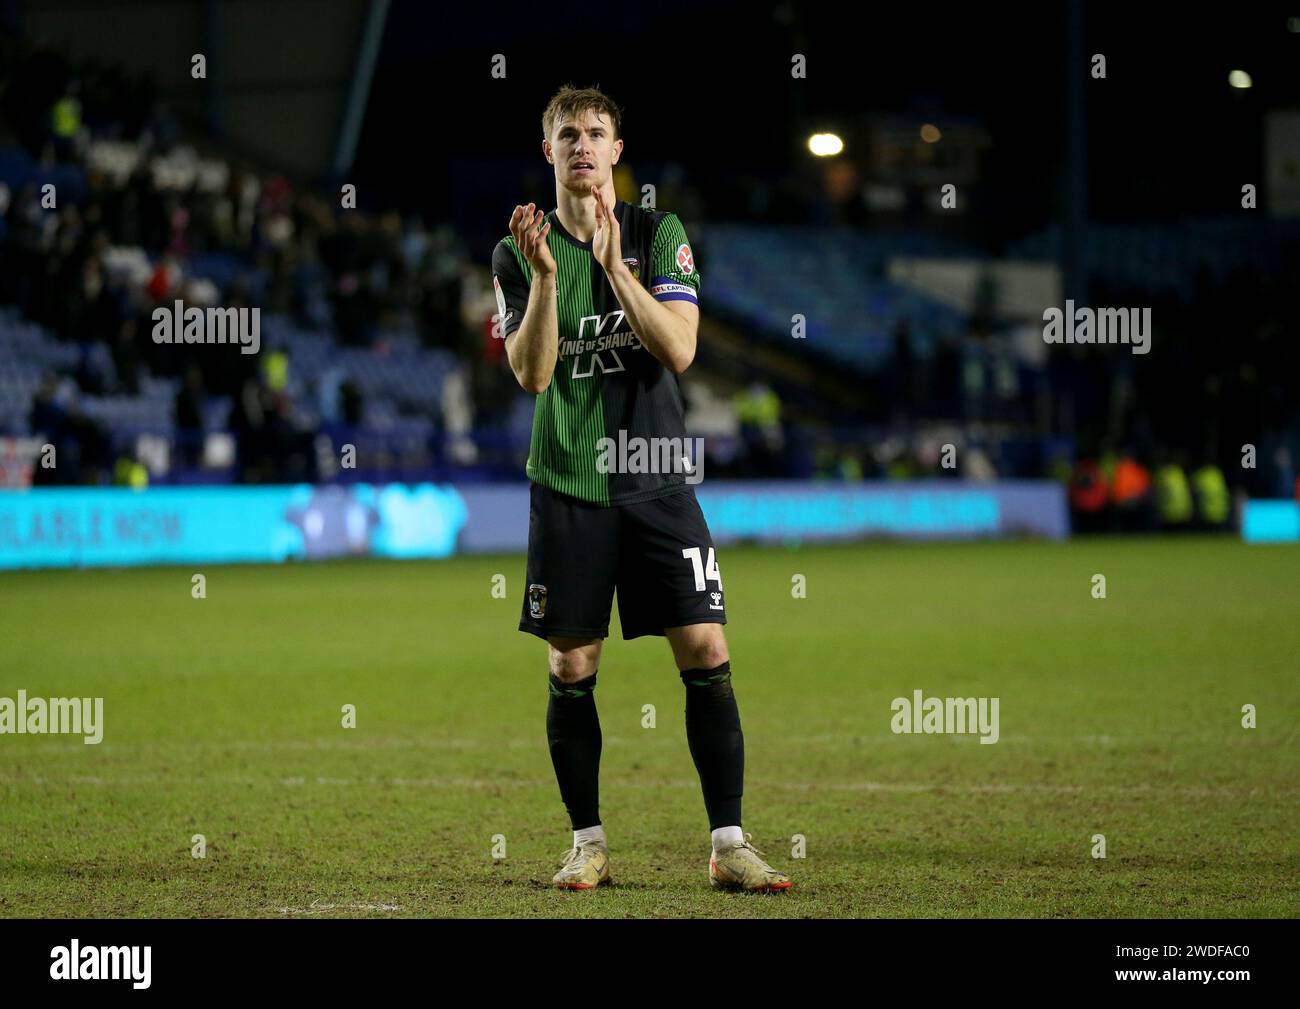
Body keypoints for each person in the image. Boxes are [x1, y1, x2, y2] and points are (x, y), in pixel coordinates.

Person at [490, 85, 790, 893]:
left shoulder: (659, 234)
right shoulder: (516, 249)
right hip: (567, 485)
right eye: (566, 134)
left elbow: (681, 348)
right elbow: (533, 372)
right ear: (547, 150)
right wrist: (551, 279)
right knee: (571, 664)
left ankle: (728, 843)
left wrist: (615, 270)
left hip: (657, 479)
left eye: (595, 133)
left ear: (618, 151)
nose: (581, 146)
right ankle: (587, 842)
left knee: (708, 646)